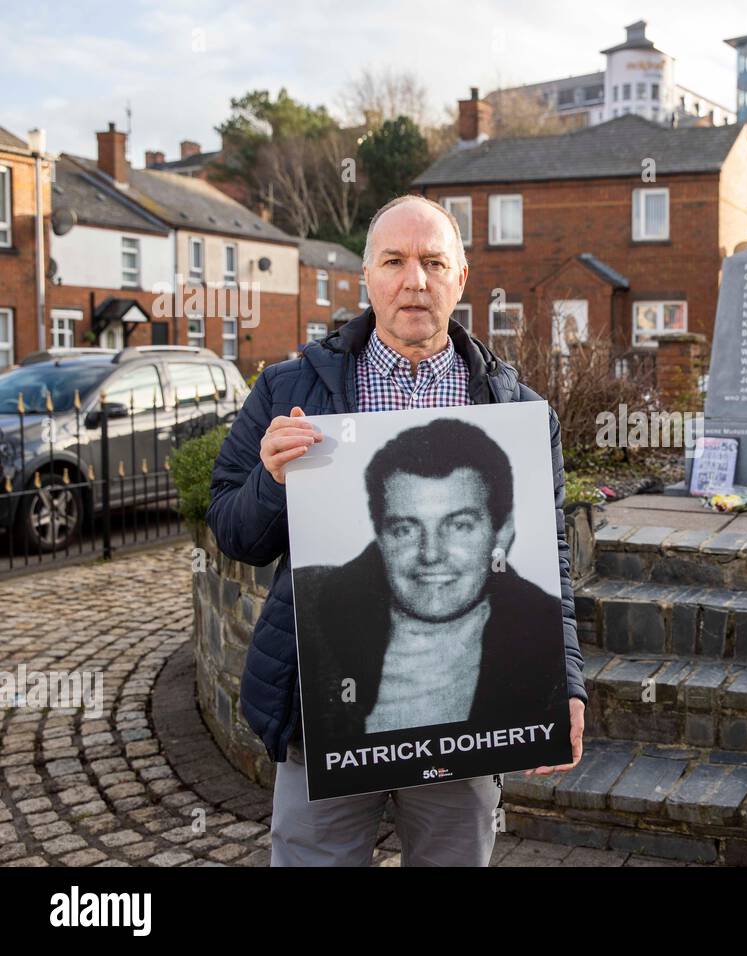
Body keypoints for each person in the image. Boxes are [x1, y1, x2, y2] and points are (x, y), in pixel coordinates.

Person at [206, 195, 586, 867]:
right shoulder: (291, 389)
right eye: (395, 261)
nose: (416, 280)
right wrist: (270, 484)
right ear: (368, 278)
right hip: (325, 710)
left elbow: (549, 555)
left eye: (434, 262)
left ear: (461, 278)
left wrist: (567, 681)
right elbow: (235, 533)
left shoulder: (517, 411)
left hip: (472, 720)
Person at [293, 417, 569, 741]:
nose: (431, 554)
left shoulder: (548, 636)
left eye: (459, 525)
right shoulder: (310, 607)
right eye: (405, 529)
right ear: (381, 537)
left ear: (502, 534)